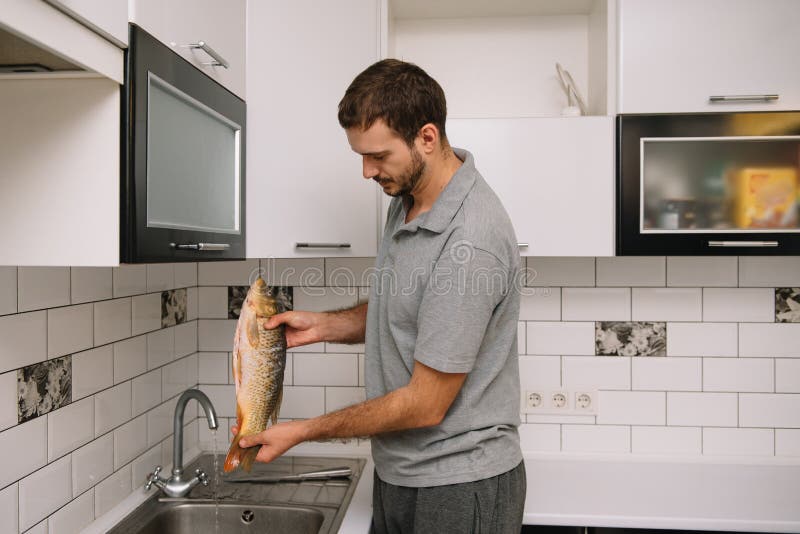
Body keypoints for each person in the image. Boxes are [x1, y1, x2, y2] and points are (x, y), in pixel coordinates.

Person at [236, 58, 526, 533]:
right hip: (401, 473)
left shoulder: (470, 240)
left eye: (378, 156)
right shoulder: (407, 199)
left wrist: (303, 431)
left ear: (427, 138)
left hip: (459, 484)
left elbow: (424, 404)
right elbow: (410, 309)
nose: (367, 172)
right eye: (361, 157)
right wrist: (326, 326)